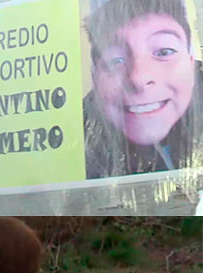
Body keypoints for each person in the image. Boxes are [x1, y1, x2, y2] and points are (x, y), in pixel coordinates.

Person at [84, 0, 203, 178]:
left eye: (164, 52)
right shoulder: (78, 133)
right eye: (115, 60)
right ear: (95, 77)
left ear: (191, 62)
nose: (138, 78)